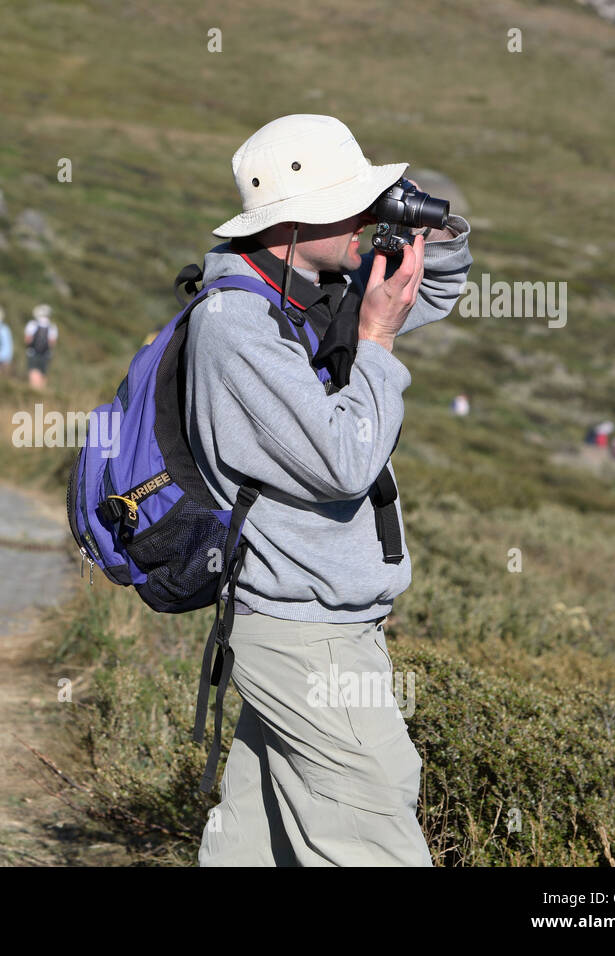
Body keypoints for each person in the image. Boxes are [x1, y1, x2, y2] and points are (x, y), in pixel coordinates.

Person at [186, 114, 472, 865]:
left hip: (313, 621)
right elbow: (345, 459)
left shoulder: (306, 291)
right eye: (351, 200)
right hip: (302, 629)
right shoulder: (237, 324)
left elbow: (434, 291)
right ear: (292, 221)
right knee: (374, 823)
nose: (364, 212)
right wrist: (375, 342)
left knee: (258, 843)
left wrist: (426, 224)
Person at [24, 303, 57, 389]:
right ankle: (40, 399)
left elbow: (27, 340)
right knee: (43, 377)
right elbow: (52, 343)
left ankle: (34, 398)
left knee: (33, 376)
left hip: (32, 354)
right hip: (45, 355)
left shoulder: (32, 324)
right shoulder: (52, 326)